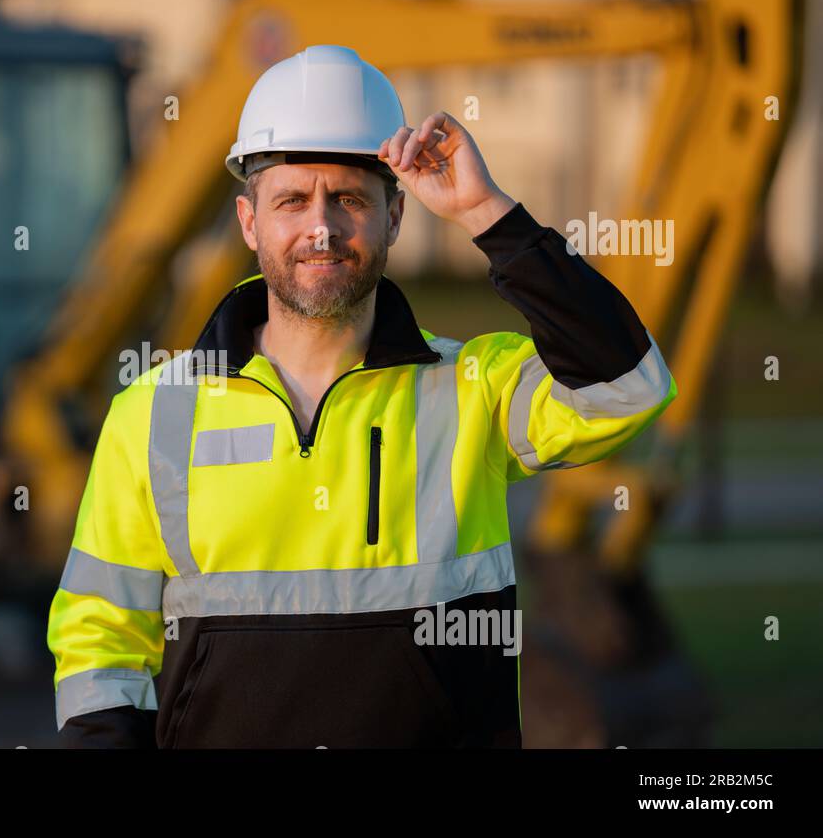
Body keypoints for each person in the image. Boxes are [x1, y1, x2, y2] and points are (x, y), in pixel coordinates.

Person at [46, 45, 676, 748]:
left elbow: (628, 386)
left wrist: (486, 213)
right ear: (250, 222)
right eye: (292, 200)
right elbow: (100, 639)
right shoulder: (155, 412)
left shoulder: (473, 388)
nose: (321, 227)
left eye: (348, 198)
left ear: (396, 215)